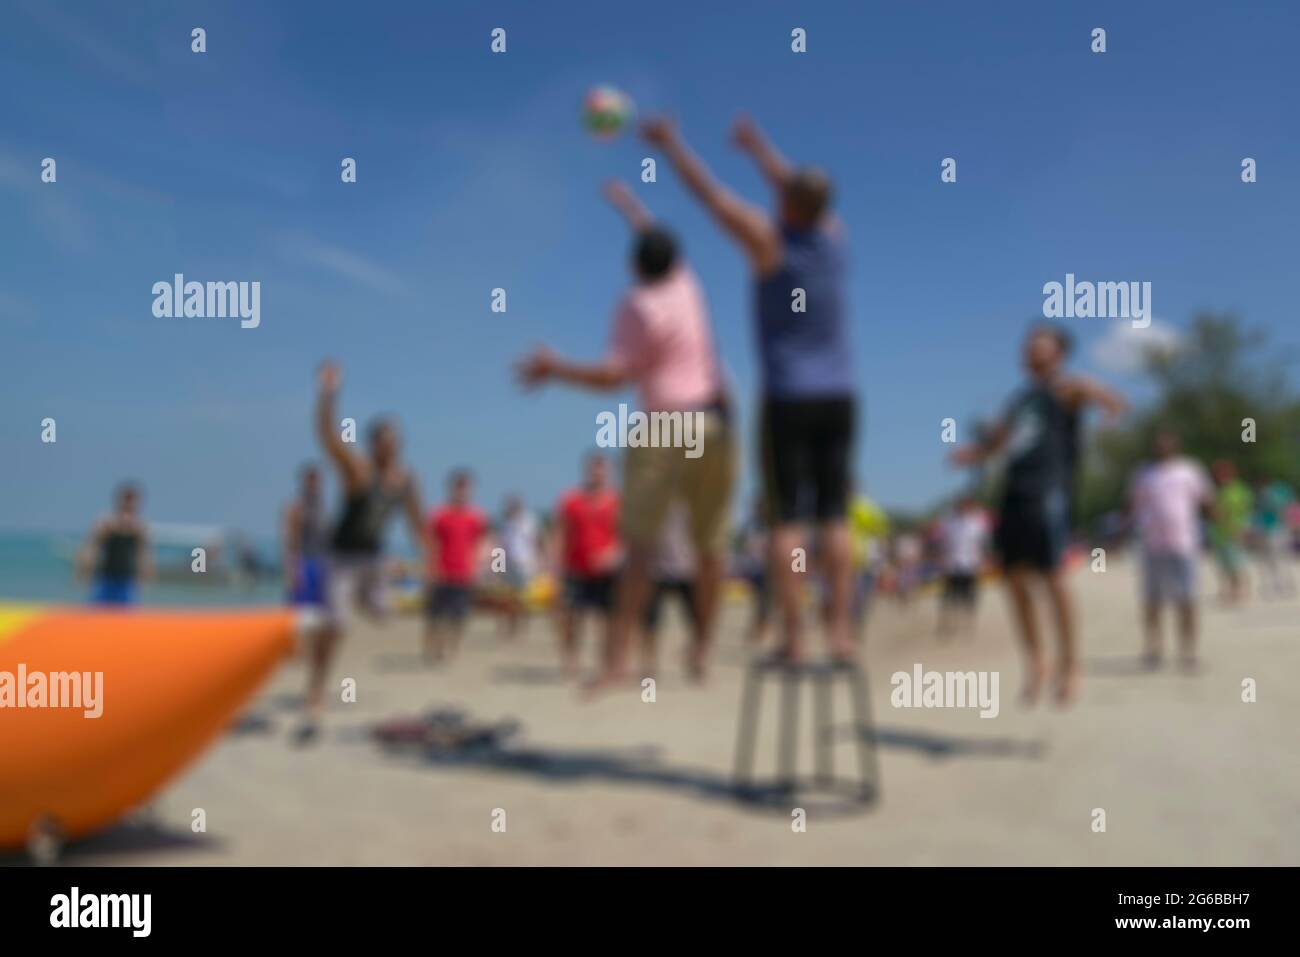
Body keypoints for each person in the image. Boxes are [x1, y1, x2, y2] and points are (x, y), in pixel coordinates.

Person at [643, 112, 855, 663]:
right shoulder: (833, 238)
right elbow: (804, 195)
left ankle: (796, 639)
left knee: (786, 523)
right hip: (839, 394)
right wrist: (762, 150)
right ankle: (841, 634)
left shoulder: (768, 243)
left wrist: (672, 144)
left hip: (788, 396)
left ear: (785, 201)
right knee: (834, 518)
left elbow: (710, 194)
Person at [517, 180, 735, 687]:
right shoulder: (688, 284)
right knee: (711, 547)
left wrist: (555, 369)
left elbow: (613, 378)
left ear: (634, 267)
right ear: (674, 259)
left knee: (639, 546)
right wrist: (630, 206)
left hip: (662, 423)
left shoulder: (636, 304)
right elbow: (653, 234)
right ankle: (702, 645)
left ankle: (616, 661)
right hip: (712, 421)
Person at [950, 323, 1126, 705]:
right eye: (1027, 345)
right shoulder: (1019, 399)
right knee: (1012, 581)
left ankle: (1071, 665)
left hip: (1049, 494)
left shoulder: (1067, 388)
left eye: (1038, 345)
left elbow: (1108, 398)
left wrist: (1106, 403)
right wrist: (972, 454)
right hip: (1013, 494)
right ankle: (1036, 662)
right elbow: (996, 443)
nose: (1029, 351)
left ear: (1058, 353)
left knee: (1054, 578)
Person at [300, 361, 425, 743]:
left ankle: (346, 608)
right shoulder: (357, 470)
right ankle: (316, 691)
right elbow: (326, 436)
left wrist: (430, 560)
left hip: (373, 561)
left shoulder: (405, 479)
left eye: (394, 441)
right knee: (337, 626)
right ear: (374, 444)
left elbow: (418, 522)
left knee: (384, 615)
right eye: (383, 442)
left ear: (399, 445)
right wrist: (328, 392)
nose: (389, 447)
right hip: (341, 559)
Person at [1128, 431, 1214, 668]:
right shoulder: (1143, 473)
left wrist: (1218, 530)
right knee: (1152, 599)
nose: (1163, 447)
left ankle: (1189, 651)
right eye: (1159, 443)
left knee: (1187, 598)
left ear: (1176, 445)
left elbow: (1205, 501)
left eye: (1167, 442)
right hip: (1152, 544)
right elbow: (1134, 506)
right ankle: (1153, 648)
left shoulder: (1190, 470)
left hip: (1184, 543)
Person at [549, 453, 622, 677]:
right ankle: (571, 661)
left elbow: (628, 536)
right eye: (593, 468)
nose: (597, 473)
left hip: (607, 571)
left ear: (608, 472)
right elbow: (559, 533)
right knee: (570, 618)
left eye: (602, 468)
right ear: (586, 470)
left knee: (608, 621)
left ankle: (605, 663)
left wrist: (612, 554)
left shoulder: (618, 501)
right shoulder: (570, 500)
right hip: (574, 569)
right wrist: (553, 565)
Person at [425, 469, 489, 663]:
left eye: (465, 487)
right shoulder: (438, 514)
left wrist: (483, 568)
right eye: (458, 486)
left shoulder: (477, 517)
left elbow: (484, 544)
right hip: (441, 572)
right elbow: (429, 543)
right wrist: (429, 568)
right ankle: (435, 647)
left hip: (464, 574)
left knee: (459, 616)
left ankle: (452, 649)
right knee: (436, 615)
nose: (461, 491)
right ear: (451, 488)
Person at [640, 501, 700, 677]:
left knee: (696, 620)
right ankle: (649, 663)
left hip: (686, 568)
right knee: (651, 621)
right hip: (656, 568)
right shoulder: (652, 502)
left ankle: (695, 661)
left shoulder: (691, 502)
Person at [78, 482, 154, 605]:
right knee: (95, 616)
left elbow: (144, 554)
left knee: (126, 619)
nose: (129, 505)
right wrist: (84, 570)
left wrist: (145, 576)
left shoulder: (140, 527)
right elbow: (91, 548)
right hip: (106, 578)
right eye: (126, 500)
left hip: (127, 581)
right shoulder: (106, 522)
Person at [936, 495, 989, 638]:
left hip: (970, 564)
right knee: (950, 596)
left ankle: (968, 624)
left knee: (969, 596)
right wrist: (942, 560)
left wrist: (981, 561)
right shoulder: (948, 522)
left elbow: (982, 544)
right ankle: (949, 624)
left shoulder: (976, 523)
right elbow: (943, 543)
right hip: (952, 563)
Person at [282, 463, 329, 611]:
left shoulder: (322, 508)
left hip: (322, 562)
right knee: (299, 609)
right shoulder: (296, 507)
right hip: (304, 563)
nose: (315, 485)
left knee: (321, 610)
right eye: (311, 481)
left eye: (317, 481)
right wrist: (293, 569)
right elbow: (290, 541)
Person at [1209, 459, 1252, 604]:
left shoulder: (1238, 490)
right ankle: (1227, 592)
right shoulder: (1219, 490)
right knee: (1223, 566)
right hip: (1220, 534)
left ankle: (1240, 592)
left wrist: (1242, 529)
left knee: (1236, 564)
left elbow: (1245, 511)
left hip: (1234, 532)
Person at [497, 495, 541, 637]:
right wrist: (497, 568)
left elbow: (537, 543)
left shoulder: (529, 522)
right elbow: (500, 547)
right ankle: (508, 628)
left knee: (524, 599)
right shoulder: (504, 524)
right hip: (508, 566)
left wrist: (538, 563)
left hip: (525, 565)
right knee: (507, 599)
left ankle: (523, 628)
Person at [1252, 477, 1296, 599]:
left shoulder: (1270, 495)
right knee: (1273, 559)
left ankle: (1282, 585)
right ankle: (1279, 585)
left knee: (1276, 559)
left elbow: (1282, 511)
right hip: (1270, 529)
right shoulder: (1271, 495)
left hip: (1275, 529)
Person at [736, 497, 772, 645]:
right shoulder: (752, 525)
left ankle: (760, 630)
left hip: (767, 570)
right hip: (756, 570)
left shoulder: (768, 526)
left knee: (764, 602)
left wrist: (798, 570)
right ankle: (759, 629)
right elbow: (744, 547)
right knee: (760, 602)